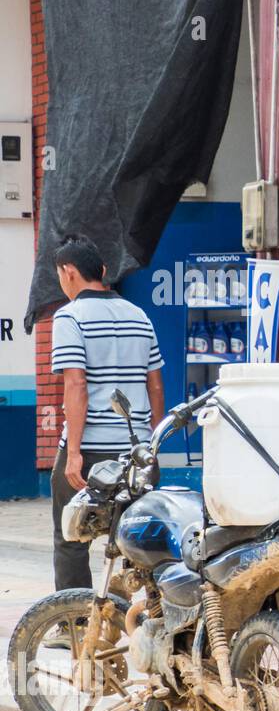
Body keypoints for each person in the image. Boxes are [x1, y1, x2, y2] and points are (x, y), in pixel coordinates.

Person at [49, 234, 164, 590]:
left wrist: (73, 453)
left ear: (69, 272)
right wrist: (154, 443)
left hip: (93, 449)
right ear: (101, 271)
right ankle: (145, 617)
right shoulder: (139, 315)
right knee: (138, 538)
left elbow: (76, 385)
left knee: (70, 535)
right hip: (137, 449)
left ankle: (76, 621)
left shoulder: (69, 317)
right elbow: (156, 386)